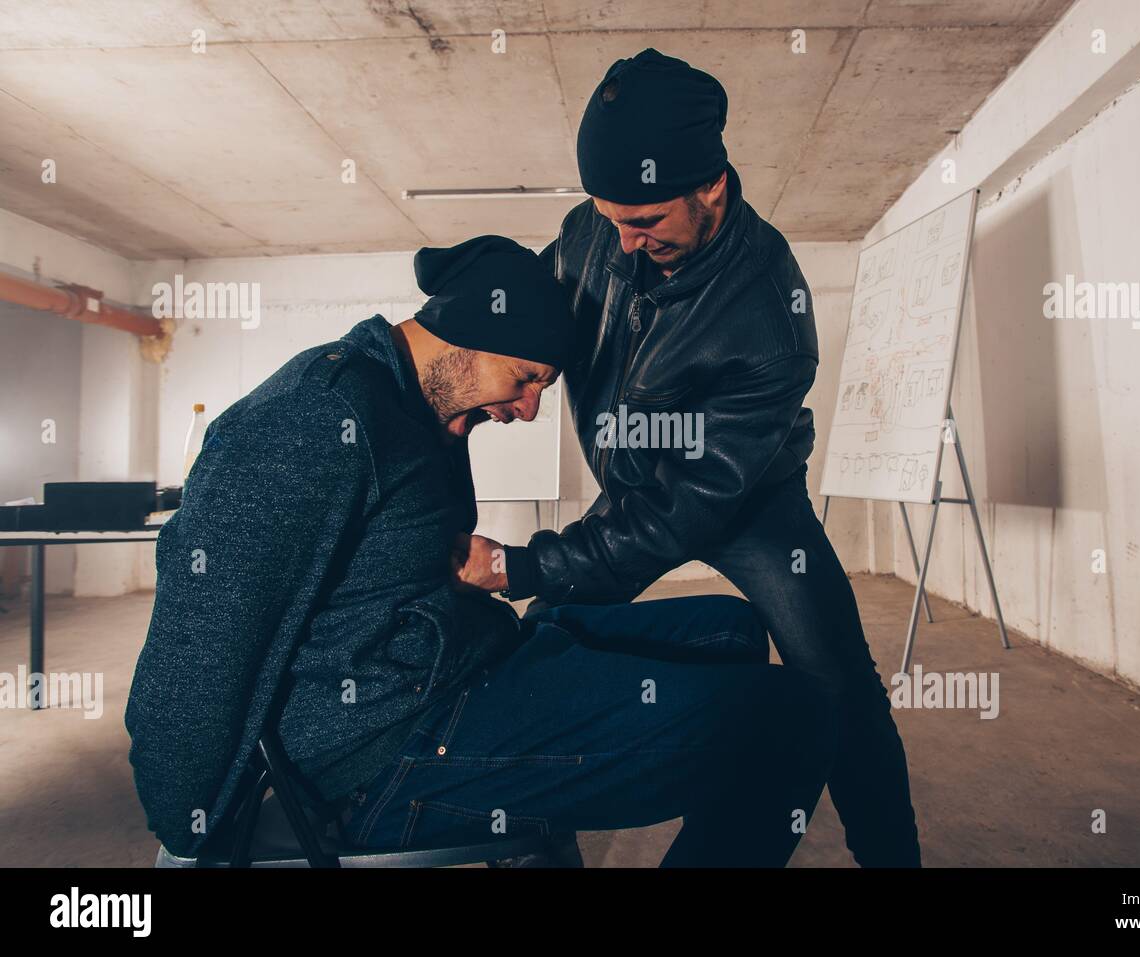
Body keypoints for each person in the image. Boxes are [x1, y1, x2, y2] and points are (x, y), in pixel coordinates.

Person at [125, 235, 835, 867]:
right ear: (468, 332)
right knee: (794, 718)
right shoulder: (318, 417)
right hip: (390, 745)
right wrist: (185, 827)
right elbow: (201, 633)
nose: (527, 408)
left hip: (469, 660)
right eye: (526, 378)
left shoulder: (427, 408)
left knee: (731, 630)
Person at [453, 49, 922, 867]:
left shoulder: (772, 315)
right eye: (611, 219)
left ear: (712, 185)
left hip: (746, 503)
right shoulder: (592, 233)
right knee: (540, 642)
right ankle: (524, 835)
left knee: (838, 684)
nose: (625, 245)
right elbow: (521, 319)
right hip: (634, 485)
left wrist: (521, 562)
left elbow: (682, 512)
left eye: (646, 223)